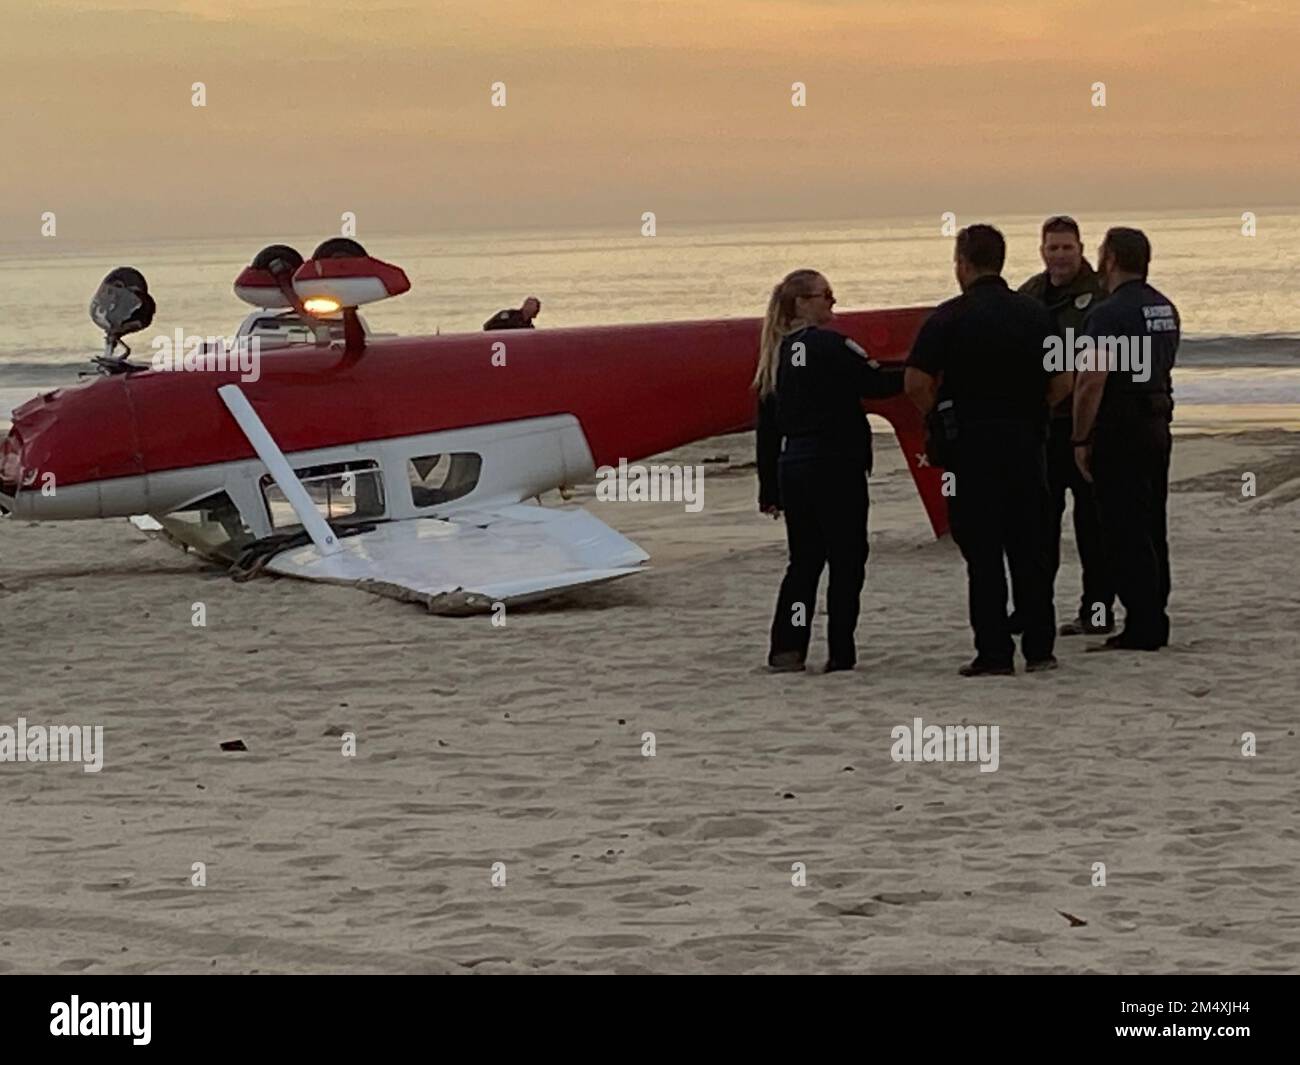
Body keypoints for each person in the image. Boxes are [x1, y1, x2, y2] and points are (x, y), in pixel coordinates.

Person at [904, 224, 1071, 676]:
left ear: (962, 264)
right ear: (1002, 260)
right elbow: (1062, 380)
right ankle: (1040, 649)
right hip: (1025, 444)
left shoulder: (947, 317)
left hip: (969, 450)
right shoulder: (1036, 315)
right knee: (1030, 550)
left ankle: (994, 651)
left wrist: (940, 415)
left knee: (982, 553)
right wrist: (1033, 409)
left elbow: (915, 381)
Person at [755, 269, 904, 673]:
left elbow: (767, 429)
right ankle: (840, 649)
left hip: (795, 466)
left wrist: (768, 487)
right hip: (836, 463)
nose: (832, 303)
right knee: (847, 558)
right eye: (826, 296)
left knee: (804, 562)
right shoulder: (830, 344)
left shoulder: (777, 356)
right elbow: (876, 382)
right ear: (802, 303)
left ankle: (788, 647)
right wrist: (922, 369)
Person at [1073, 227, 1179, 651]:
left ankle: (1143, 622)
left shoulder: (1108, 313)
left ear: (1112, 259)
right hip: (1157, 419)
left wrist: (1080, 438)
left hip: (1122, 426)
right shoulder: (1164, 307)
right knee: (1153, 523)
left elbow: (1090, 382)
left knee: (1122, 528)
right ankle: (1154, 611)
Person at [1019, 216, 1114, 636]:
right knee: (1038, 525)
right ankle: (1031, 610)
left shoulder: (1100, 297)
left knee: (1093, 528)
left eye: (1067, 248)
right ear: (1042, 251)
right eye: (1053, 248)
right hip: (1042, 428)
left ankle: (1097, 611)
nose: (1060, 256)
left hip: (1089, 426)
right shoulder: (1029, 294)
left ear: (1081, 249)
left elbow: (1098, 366)